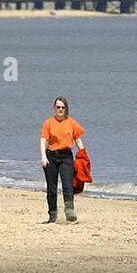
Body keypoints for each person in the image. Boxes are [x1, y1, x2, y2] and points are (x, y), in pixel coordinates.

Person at [40, 95, 86, 223]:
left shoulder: (71, 122)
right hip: (51, 156)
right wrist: (43, 156)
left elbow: (77, 139)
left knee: (67, 185)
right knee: (51, 188)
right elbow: (43, 140)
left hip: (66, 156)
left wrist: (83, 155)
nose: (60, 109)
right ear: (54, 108)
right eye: (58, 107)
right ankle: (52, 215)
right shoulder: (48, 123)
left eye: (62, 107)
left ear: (66, 108)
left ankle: (70, 211)